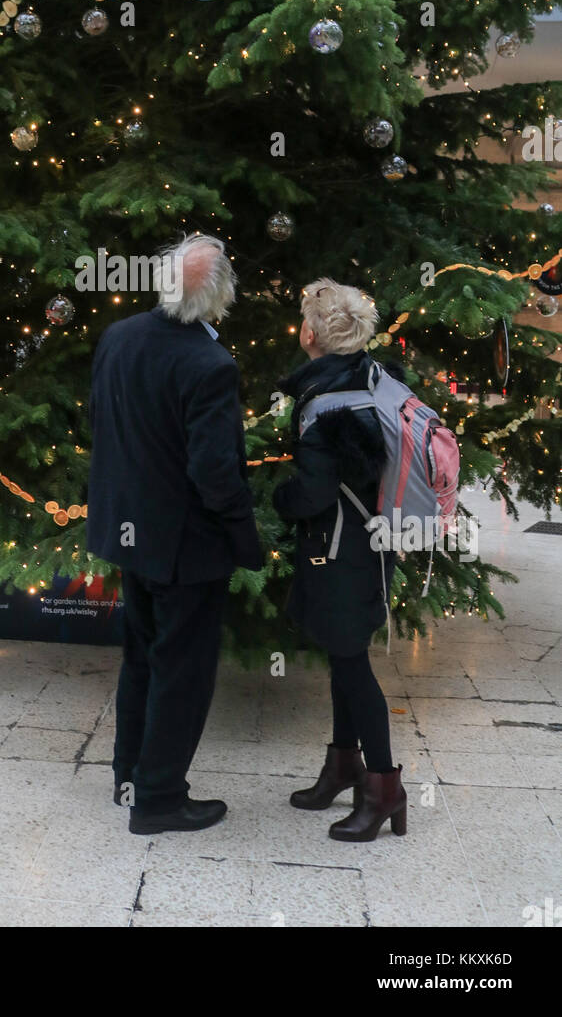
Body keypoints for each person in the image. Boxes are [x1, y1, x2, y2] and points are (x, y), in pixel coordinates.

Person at [87, 234, 263, 835]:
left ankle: (130, 778)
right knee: (182, 671)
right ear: (219, 295)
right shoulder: (209, 364)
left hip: (129, 533)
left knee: (141, 659)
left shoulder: (118, 337)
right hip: (186, 545)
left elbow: (103, 425)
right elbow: (214, 473)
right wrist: (244, 535)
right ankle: (159, 800)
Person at [273, 278, 407, 842]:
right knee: (344, 651)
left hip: (339, 550)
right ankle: (343, 765)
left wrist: (279, 498)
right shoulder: (375, 378)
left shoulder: (323, 400)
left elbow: (314, 493)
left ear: (311, 333)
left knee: (351, 664)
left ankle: (383, 787)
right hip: (375, 542)